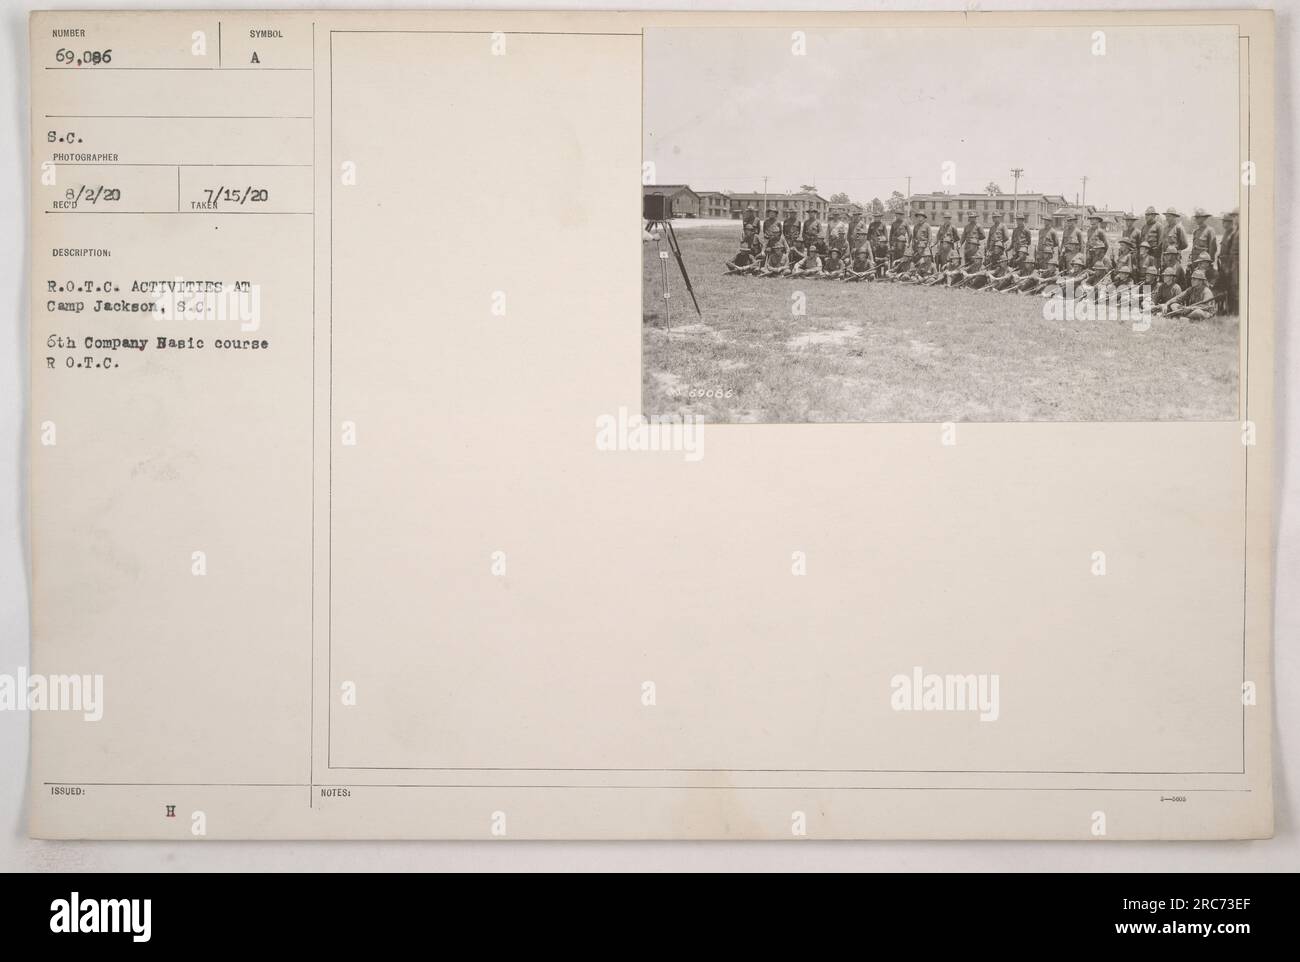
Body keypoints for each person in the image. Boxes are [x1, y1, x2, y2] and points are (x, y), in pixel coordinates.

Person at [1217, 209, 1239, 314]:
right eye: (1223, 221)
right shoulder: (1227, 233)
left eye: (1226, 221)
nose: (1223, 223)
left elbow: (1232, 253)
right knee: (1226, 287)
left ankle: (1233, 311)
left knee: (1232, 288)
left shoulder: (1233, 233)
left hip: (1230, 266)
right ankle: (1227, 309)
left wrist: (1229, 267)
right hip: (1224, 265)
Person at [1189, 208, 1219, 284]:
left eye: (1198, 217)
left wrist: (1209, 263)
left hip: (1204, 264)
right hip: (1195, 262)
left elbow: (1213, 248)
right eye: (1196, 217)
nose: (1196, 219)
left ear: (1204, 218)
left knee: (1205, 283)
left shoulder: (1210, 230)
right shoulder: (1196, 231)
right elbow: (1193, 248)